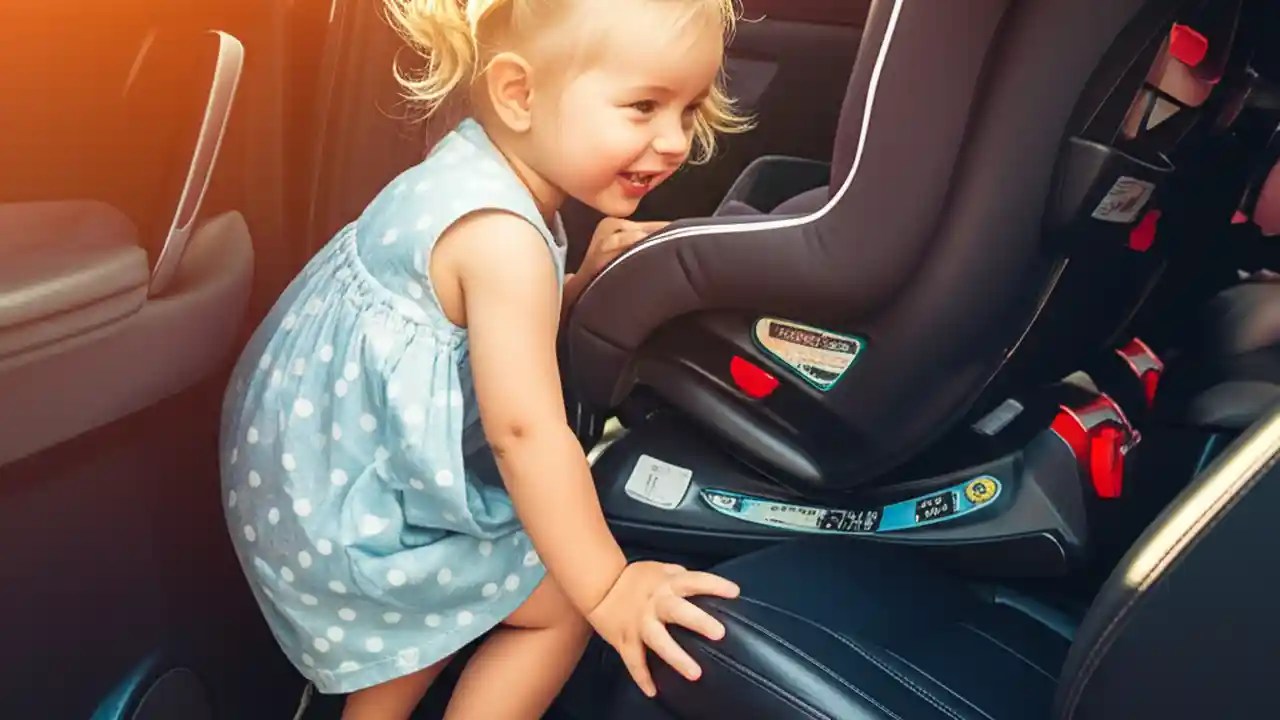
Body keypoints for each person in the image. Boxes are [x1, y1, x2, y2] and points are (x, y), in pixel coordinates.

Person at [218, 0, 753, 717]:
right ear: (520, 94)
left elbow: (471, 330)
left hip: (315, 487)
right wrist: (608, 589)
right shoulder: (503, 238)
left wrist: (575, 286)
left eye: (688, 111)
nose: (674, 140)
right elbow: (524, 433)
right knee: (558, 610)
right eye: (643, 107)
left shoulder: (472, 170)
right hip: (360, 525)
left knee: (411, 642)